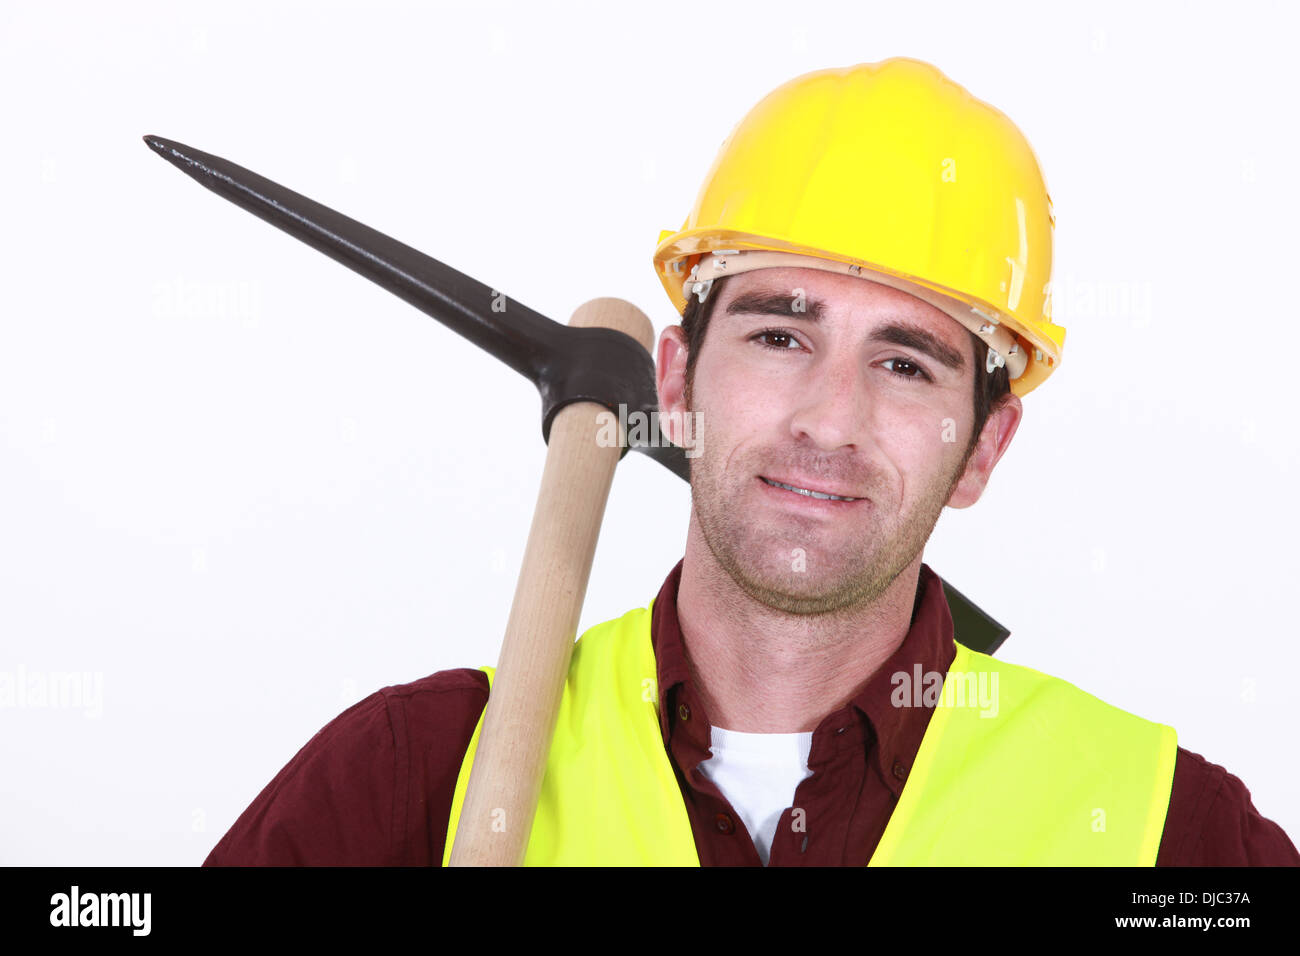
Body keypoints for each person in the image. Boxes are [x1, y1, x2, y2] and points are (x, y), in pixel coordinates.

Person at [204, 58, 1298, 866]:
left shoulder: (1165, 835)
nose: (830, 416)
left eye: (906, 363)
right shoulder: (406, 783)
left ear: (983, 448)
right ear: (674, 382)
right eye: (781, 332)